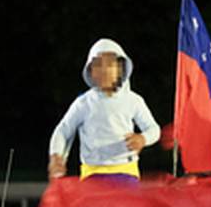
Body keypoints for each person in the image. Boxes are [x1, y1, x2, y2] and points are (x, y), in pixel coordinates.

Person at [48, 38, 160, 184]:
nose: (104, 70)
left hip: (126, 173)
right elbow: (63, 130)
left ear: (120, 69)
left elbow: (154, 129)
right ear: (90, 72)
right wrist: (56, 156)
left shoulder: (133, 100)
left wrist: (143, 139)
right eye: (98, 65)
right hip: (92, 175)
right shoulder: (84, 103)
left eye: (109, 64)